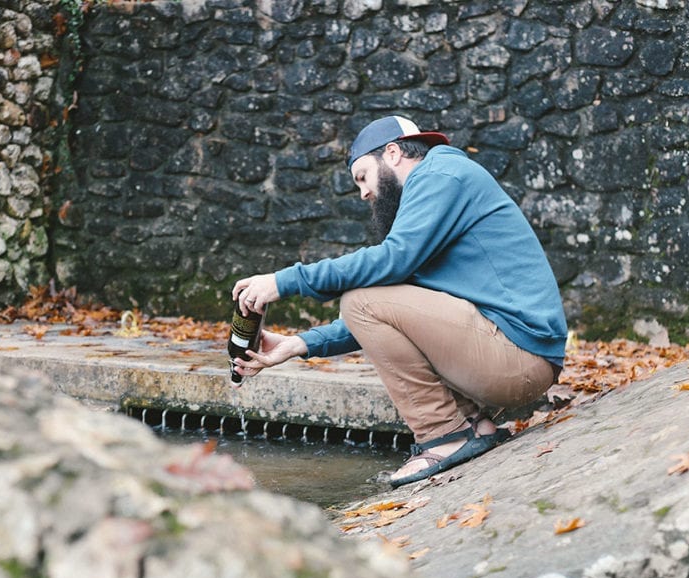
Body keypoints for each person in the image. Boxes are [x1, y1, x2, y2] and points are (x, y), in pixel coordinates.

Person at [231, 115, 567, 488]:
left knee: (359, 299)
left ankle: (444, 435)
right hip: (517, 358)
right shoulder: (435, 197)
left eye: (362, 177)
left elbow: (391, 264)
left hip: (518, 357)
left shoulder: (440, 174)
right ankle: (474, 425)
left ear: (392, 153)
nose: (363, 193)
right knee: (365, 301)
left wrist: (286, 280)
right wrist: (300, 343)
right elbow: (398, 310)